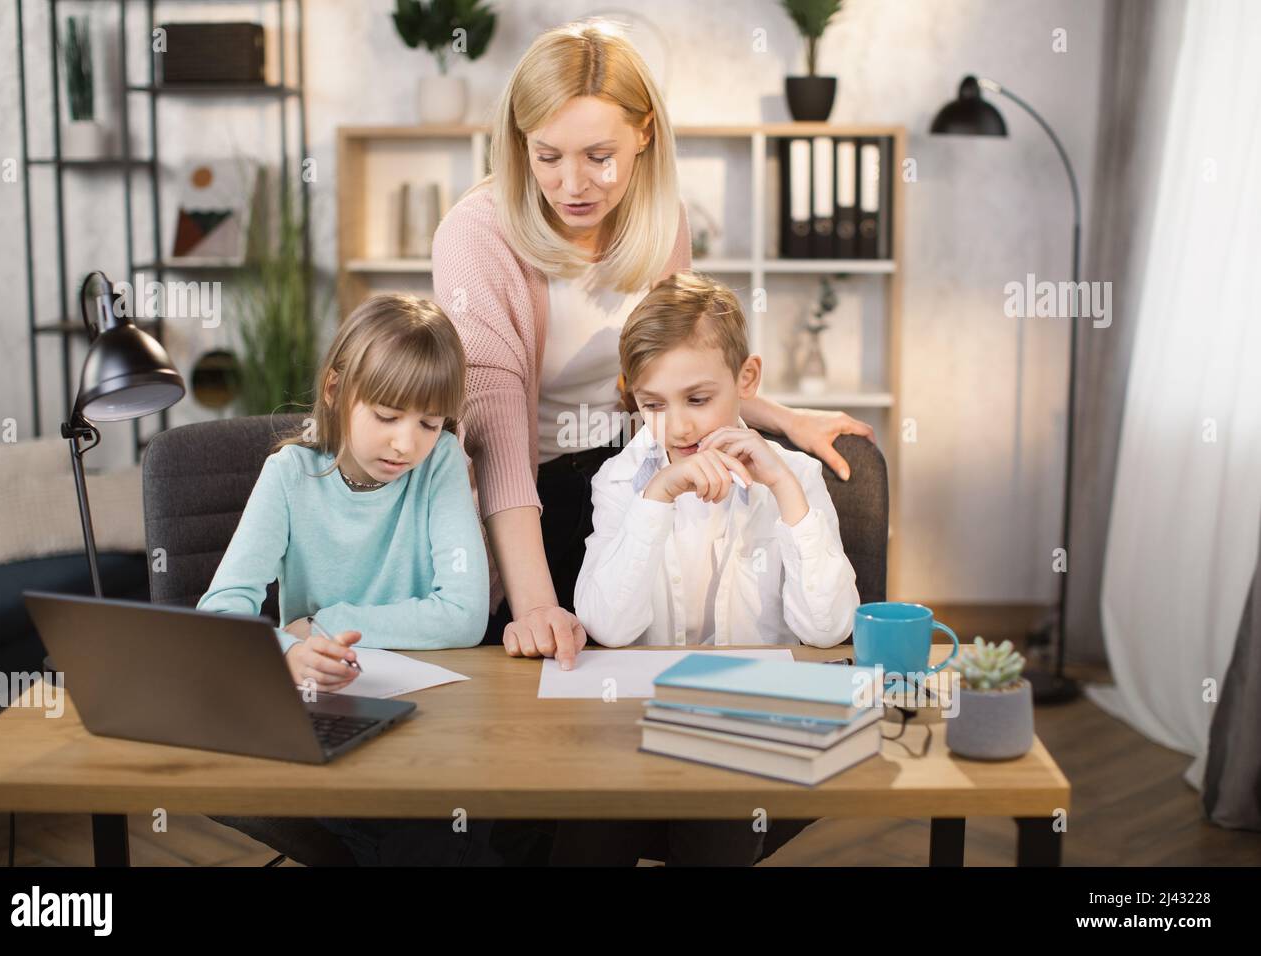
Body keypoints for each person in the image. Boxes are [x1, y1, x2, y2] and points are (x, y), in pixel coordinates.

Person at [431, 19, 875, 674]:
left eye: (598, 156)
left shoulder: (661, 219)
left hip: (630, 477)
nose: (573, 184)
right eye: (547, 156)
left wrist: (781, 419)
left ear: (644, 134)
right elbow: (493, 437)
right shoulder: (477, 236)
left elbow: (685, 360)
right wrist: (532, 604)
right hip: (527, 502)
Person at [547, 271, 859, 866]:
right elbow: (607, 626)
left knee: (714, 818)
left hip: (750, 729)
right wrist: (655, 500)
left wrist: (783, 491)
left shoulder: (798, 479)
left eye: (697, 399)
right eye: (653, 405)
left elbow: (826, 628)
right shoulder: (622, 480)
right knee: (590, 825)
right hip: (637, 723)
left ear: (747, 380)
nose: (680, 427)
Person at [196, 292, 497, 865]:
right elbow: (221, 609)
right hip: (329, 715)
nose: (406, 443)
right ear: (336, 390)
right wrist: (287, 651)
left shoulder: (440, 463)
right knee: (435, 842)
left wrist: (329, 623)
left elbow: (464, 615)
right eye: (386, 416)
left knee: (454, 830)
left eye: (429, 422)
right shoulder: (289, 476)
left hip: (434, 722)